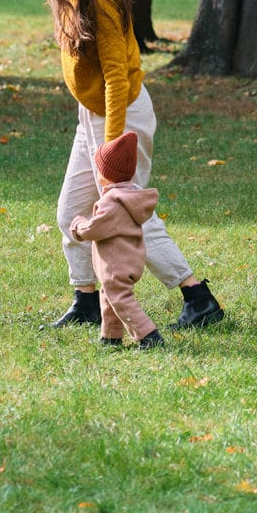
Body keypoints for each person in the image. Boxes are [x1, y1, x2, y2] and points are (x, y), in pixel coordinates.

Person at [29, 0, 225, 332]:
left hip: (121, 116)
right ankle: (86, 300)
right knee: (70, 212)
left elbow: (117, 78)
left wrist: (111, 145)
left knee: (127, 214)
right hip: (93, 116)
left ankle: (197, 298)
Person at [68, 130, 164, 349]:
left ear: (105, 175)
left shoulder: (112, 202)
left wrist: (78, 226)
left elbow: (95, 228)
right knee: (109, 297)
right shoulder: (130, 196)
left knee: (121, 300)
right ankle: (110, 337)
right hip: (128, 257)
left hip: (115, 263)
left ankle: (148, 335)